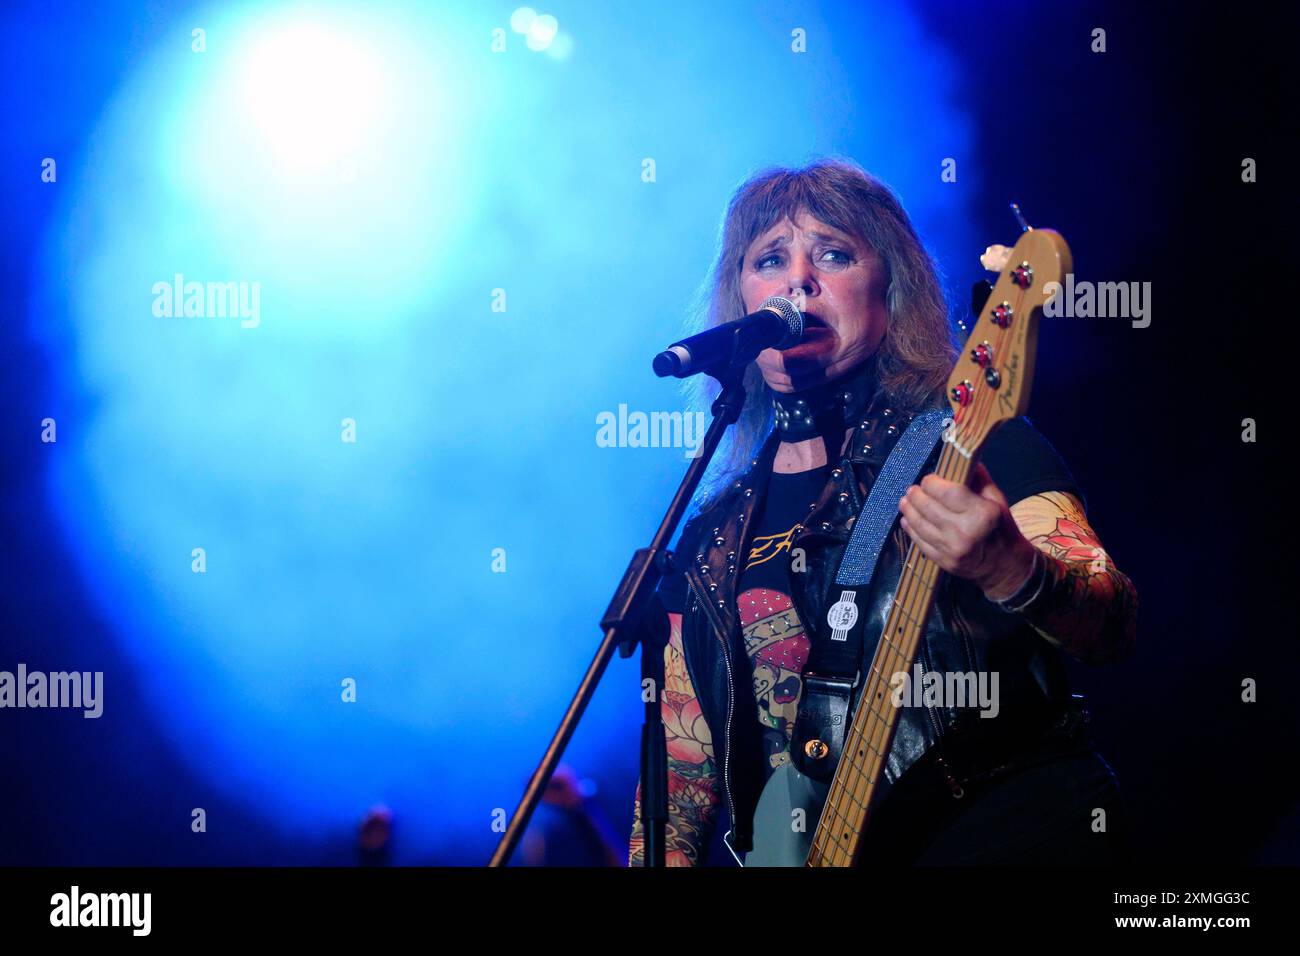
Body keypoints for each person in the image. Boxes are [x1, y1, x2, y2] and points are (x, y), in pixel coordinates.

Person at [627, 160, 1138, 867]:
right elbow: (685, 779)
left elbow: (1111, 619)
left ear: (889, 291)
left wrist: (1010, 568)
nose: (797, 279)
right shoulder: (713, 535)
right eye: (769, 259)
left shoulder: (969, 444)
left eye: (832, 254)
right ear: (741, 298)